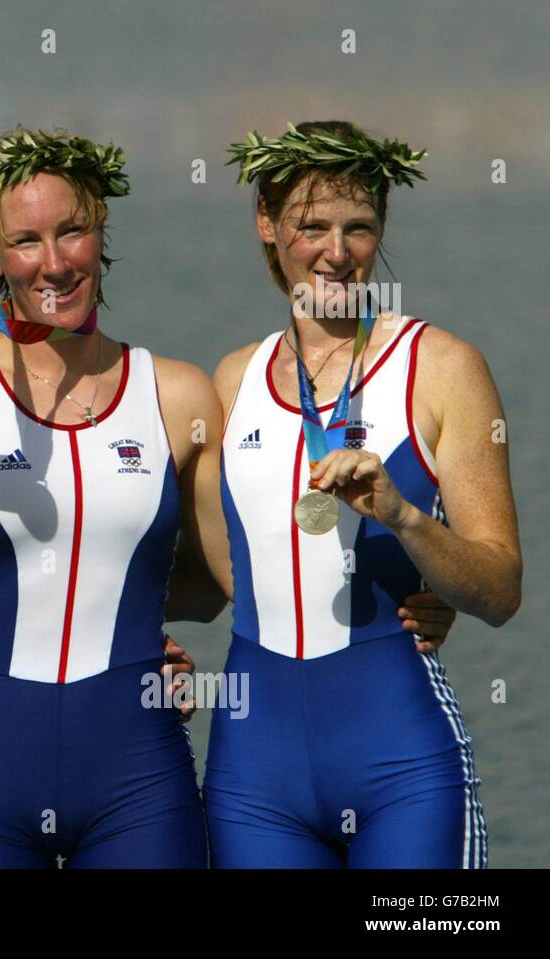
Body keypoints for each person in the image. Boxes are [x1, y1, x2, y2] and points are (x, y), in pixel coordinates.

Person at [0, 128, 229, 868]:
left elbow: (222, 585)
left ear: (100, 230)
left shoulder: (180, 394)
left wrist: (127, 609)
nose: (54, 263)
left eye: (72, 231)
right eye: (25, 240)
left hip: (139, 778)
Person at [203, 120, 520, 867]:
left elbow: (500, 588)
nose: (336, 253)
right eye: (311, 225)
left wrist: (407, 521)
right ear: (266, 224)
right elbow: (216, 571)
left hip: (402, 769)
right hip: (253, 780)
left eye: (360, 227)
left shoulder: (443, 367)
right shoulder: (229, 380)